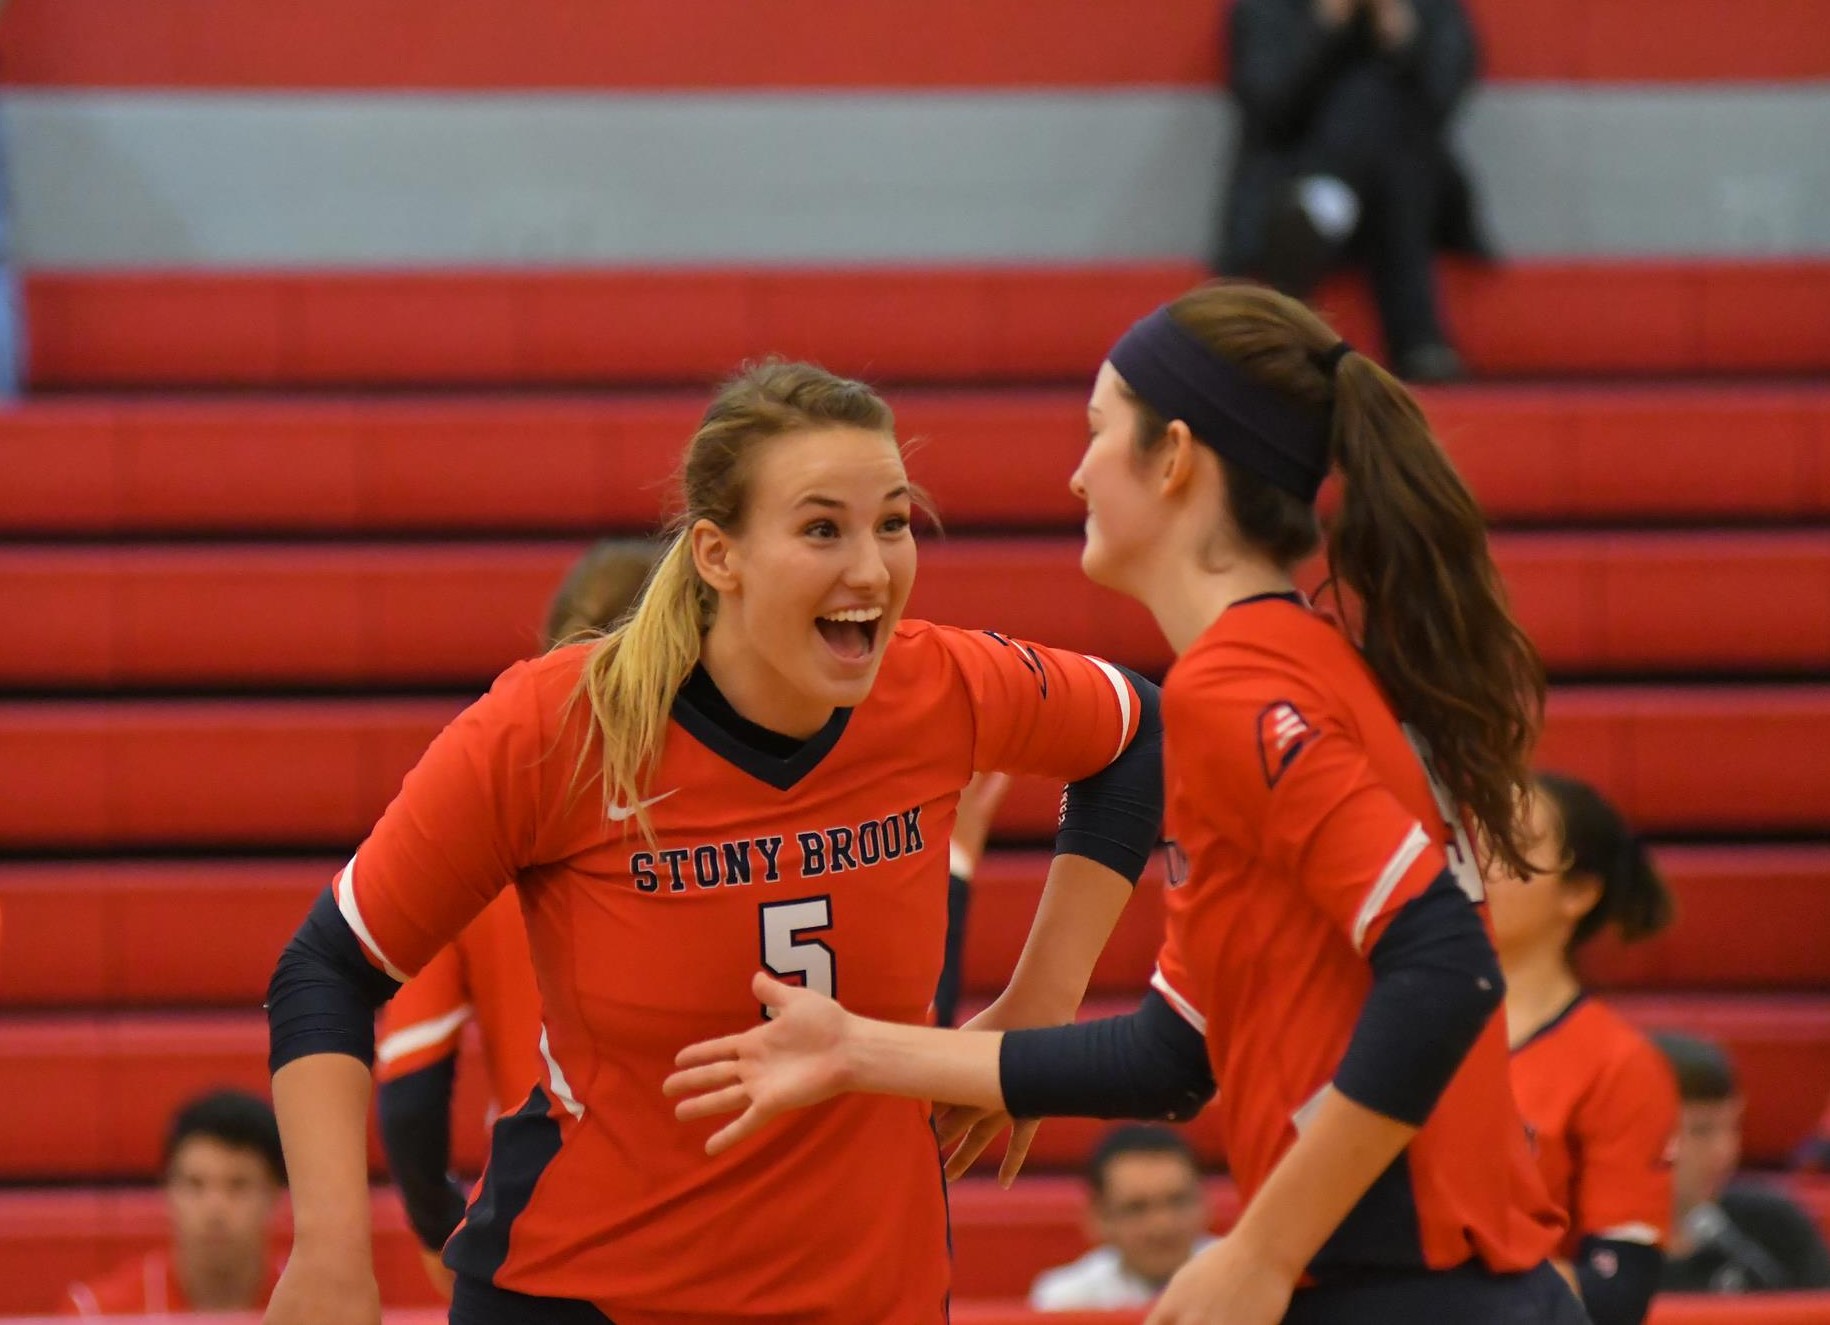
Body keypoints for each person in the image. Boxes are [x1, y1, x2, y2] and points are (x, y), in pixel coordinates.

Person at [670, 282, 1583, 1325]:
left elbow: (1446, 965)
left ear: (1175, 457)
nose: (1075, 470)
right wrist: (858, 1049)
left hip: (1414, 1289)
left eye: (1098, 431)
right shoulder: (1277, 666)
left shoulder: (1242, 682)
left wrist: (1260, 1252)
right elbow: (1171, 1053)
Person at [263, 360, 1166, 1325]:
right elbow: (328, 965)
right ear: (716, 554)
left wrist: (1038, 1006)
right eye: (823, 528)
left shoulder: (937, 684)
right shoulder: (559, 726)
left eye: (893, 522)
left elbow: (1136, 731)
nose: (870, 567)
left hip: (874, 1294)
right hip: (593, 1292)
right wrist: (329, 1251)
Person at [375, 539, 662, 1297]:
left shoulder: (484, 829)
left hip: (547, 1235)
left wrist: (443, 1235)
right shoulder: (749, 826)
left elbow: (409, 1090)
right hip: (736, 1229)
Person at [1488, 772, 1679, 1325]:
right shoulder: (1393, 1018)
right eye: (1468, 840)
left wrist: (1448, 1284)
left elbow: (1615, 1294)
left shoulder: (1618, 1064)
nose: (1476, 863)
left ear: (1578, 893)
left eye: (1508, 845)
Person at [1220, 0, 1487, 383]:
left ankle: (1325, 199)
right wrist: (1325, 27)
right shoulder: (1268, 8)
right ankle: (1419, 339)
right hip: (1290, 178)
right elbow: (1267, 105)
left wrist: (1404, 36)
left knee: (1381, 122)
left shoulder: (1428, 8)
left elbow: (1442, 103)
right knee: (1376, 122)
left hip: (1394, 198)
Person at [61, 1090, 285, 1316]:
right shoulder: (97, 1314)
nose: (215, 1209)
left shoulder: (315, 1307)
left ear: (274, 1193)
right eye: (195, 1184)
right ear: (169, 1190)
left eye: (238, 1185)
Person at [1654, 1031, 1830, 1294]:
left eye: (1734, 1127)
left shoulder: (1775, 1228)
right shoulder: (1584, 1261)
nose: (1725, 1151)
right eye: (1701, 1130)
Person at [1029, 1125, 1215, 1311]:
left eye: (1178, 1201)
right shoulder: (1064, 1302)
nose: (1162, 1225)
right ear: (1099, 1218)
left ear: (1205, 1202)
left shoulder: (1242, 1281)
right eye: (1137, 1208)